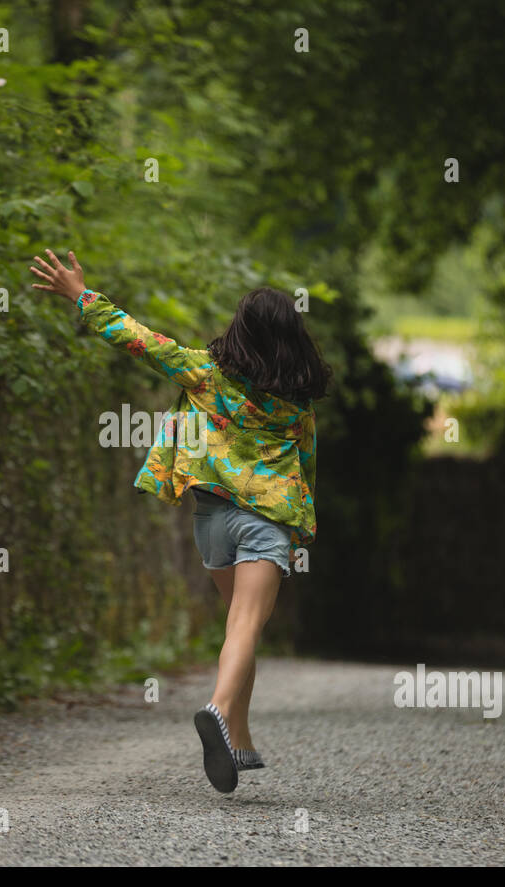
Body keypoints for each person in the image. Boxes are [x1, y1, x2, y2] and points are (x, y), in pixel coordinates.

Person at [31, 249, 330, 793]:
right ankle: (217, 710)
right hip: (265, 523)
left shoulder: (204, 371)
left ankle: (238, 740)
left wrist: (80, 295)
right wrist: (301, 531)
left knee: (238, 628)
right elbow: (305, 470)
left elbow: (138, 337)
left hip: (211, 520)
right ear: (293, 340)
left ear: (239, 330)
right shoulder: (298, 405)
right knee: (245, 626)